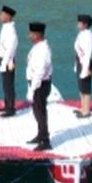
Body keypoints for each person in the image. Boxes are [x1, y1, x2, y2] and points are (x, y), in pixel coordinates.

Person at [25, 21, 53, 151]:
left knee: (40, 112)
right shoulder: (38, 47)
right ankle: (40, 134)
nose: (29, 36)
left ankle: (45, 140)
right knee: (38, 111)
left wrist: (32, 88)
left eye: (31, 33)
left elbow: (40, 71)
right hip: (37, 83)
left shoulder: (43, 50)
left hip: (40, 84)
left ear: (37, 35)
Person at [0, 5, 19, 116]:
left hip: (8, 61)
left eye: (2, 14)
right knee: (5, 84)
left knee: (9, 84)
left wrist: (4, 64)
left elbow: (10, 49)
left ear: (8, 17)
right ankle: (7, 105)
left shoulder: (11, 31)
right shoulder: (5, 27)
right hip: (3, 59)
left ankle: (11, 108)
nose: (0, 16)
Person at [73, 14, 92, 118]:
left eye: (80, 22)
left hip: (85, 63)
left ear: (85, 24)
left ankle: (87, 110)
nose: (78, 24)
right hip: (79, 61)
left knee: (86, 87)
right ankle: (82, 107)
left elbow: (88, 54)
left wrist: (85, 69)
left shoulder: (89, 36)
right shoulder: (81, 34)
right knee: (81, 86)